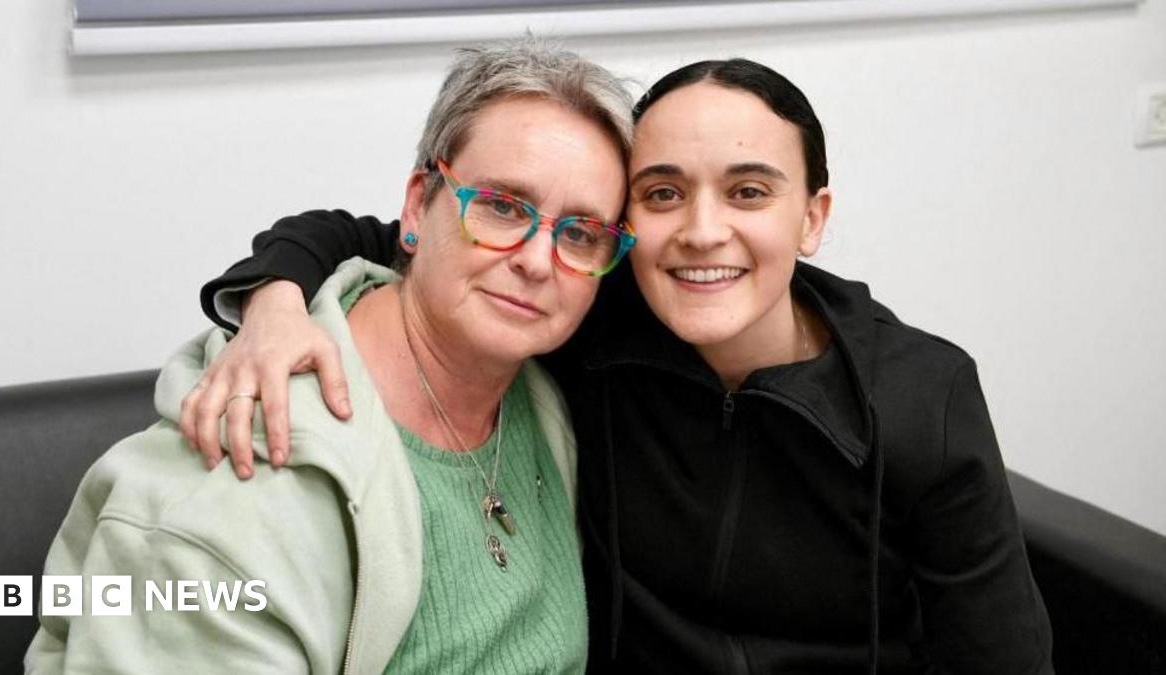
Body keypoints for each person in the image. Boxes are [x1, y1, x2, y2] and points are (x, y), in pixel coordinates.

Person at [185, 60, 1054, 673]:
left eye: (749, 192)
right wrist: (275, 299)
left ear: (812, 216)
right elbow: (393, 238)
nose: (702, 231)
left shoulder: (921, 394)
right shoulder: (584, 304)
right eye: (664, 193)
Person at [26, 39, 634, 674]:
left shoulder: (542, 400)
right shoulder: (241, 490)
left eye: (582, 234)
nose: (538, 262)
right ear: (416, 205)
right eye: (503, 207)